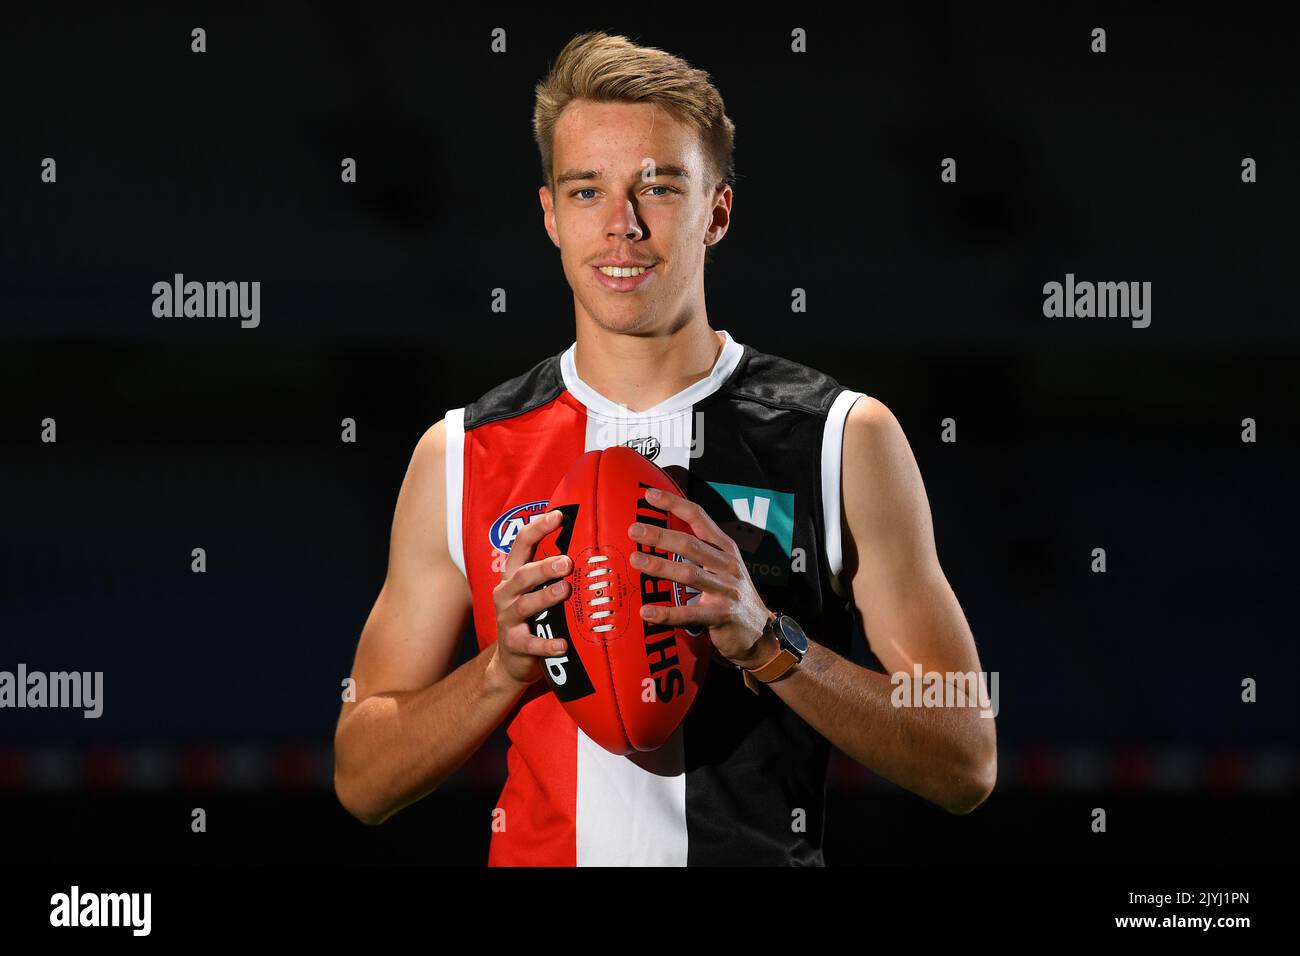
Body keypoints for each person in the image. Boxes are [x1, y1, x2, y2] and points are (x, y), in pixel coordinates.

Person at [333, 31, 995, 866]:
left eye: (660, 186)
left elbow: (966, 755)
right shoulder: (461, 452)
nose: (623, 225)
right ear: (549, 215)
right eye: (587, 191)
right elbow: (362, 776)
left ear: (717, 210)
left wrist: (769, 643)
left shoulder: (842, 437)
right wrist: (502, 670)